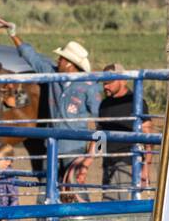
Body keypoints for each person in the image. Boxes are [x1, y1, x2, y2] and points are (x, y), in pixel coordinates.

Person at [9, 32, 100, 192]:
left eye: (62, 58)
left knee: (74, 190)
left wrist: (90, 158)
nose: (58, 61)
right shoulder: (54, 75)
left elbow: (103, 122)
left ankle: (79, 217)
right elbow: (32, 57)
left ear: (70, 64)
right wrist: (13, 34)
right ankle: (45, 218)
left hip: (75, 150)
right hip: (51, 146)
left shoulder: (89, 87)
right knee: (46, 189)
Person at [98, 63, 144, 199]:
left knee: (110, 205)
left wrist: (145, 167)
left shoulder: (135, 102)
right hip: (108, 163)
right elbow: (100, 131)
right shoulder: (104, 104)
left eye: (109, 83)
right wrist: (93, 157)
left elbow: (147, 136)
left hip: (127, 162)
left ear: (122, 81)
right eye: (104, 83)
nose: (105, 86)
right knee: (112, 204)